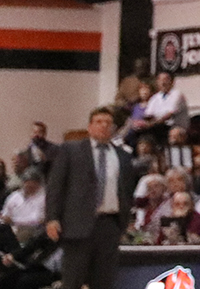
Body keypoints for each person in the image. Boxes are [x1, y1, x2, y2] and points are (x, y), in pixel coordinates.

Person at [44, 107, 137, 289]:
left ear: (114, 128)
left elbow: (126, 191)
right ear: (89, 127)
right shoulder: (71, 150)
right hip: (77, 224)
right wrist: (52, 218)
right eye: (99, 122)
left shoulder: (123, 156)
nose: (104, 126)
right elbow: (56, 186)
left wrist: (123, 222)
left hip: (109, 225)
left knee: (103, 281)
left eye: (108, 123)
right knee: (73, 280)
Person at [2, 170, 45, 234]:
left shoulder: (43, 198)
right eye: (26, 182)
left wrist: (14, 220)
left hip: (33, 230)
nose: (29, 185)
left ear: (38, 184)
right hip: (11, 229)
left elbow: (38, 219)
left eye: (32, 183)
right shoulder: (14, 196)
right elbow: (5, 215)